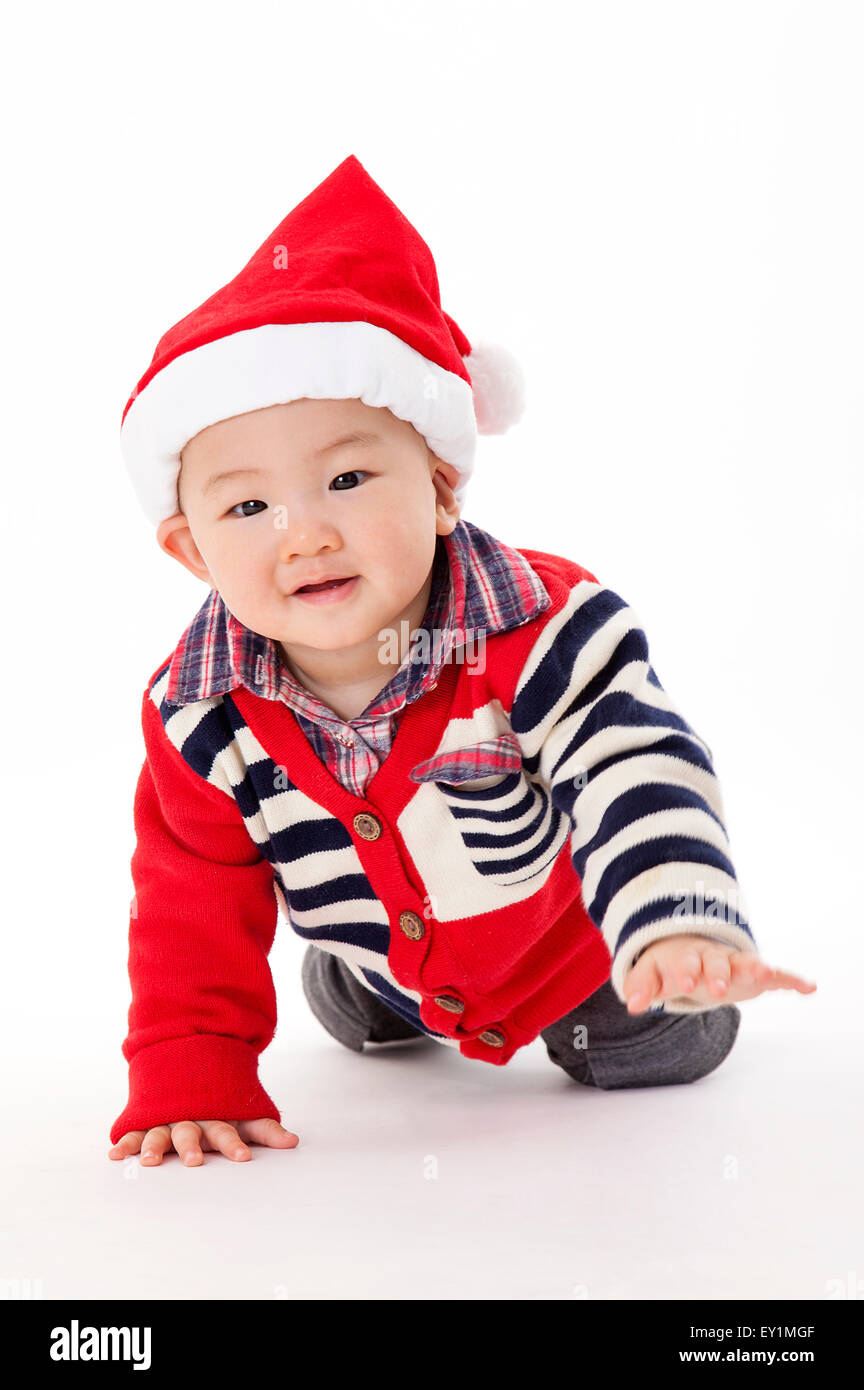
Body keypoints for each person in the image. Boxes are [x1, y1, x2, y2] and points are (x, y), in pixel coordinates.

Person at [108, 155, 815, 1168]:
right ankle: (367, 985)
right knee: (357, 1007)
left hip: (570, 951)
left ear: (441, 489)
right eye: (249, 507)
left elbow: (633, 762)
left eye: (348, 477)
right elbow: (188, 897)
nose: (304, 535)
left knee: (658, 1050)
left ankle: (654, 975)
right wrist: (189, 1066)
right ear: (191, 550)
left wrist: (673, 921)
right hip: (381, 953)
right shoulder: (197, 711)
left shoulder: (539, 627)